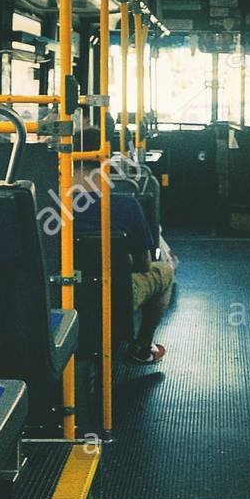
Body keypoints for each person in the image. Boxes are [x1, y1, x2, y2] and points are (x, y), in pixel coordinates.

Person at [72, 126, 176, 365]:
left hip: (63, 294)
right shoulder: (126, 207)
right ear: (105, 159)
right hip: (115, 295)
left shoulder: (51, 206)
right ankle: (141, 347)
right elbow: (143, 263)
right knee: (165, 271)